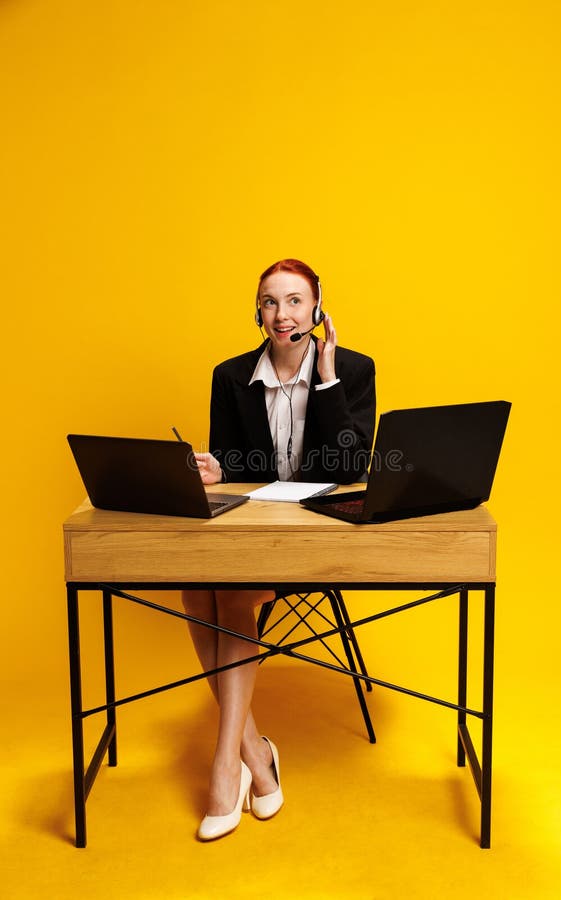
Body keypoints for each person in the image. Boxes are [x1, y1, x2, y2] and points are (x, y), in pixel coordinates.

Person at [182, 258, 376, 840]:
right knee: (194, 584)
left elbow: (349, 467)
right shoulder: (230, 375)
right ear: (257, 312)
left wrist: (329, 377)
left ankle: (228, 766)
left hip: (319, 539)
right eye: (270, 301)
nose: (282, 314)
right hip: (254, 531)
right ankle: (254, 753)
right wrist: (219, 469)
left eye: (295, 301)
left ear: (317, 309)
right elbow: (243, 466)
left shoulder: (353, 369)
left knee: (232, 591)